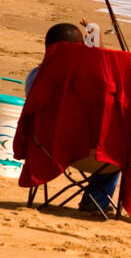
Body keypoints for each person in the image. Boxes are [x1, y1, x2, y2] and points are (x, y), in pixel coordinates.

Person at [26, 23, 119, 211]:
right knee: (118, 139)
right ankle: (96, 200)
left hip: (48, 148)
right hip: (98, 156)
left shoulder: (36, 77)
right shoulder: (96, 81)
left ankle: (95, 199)